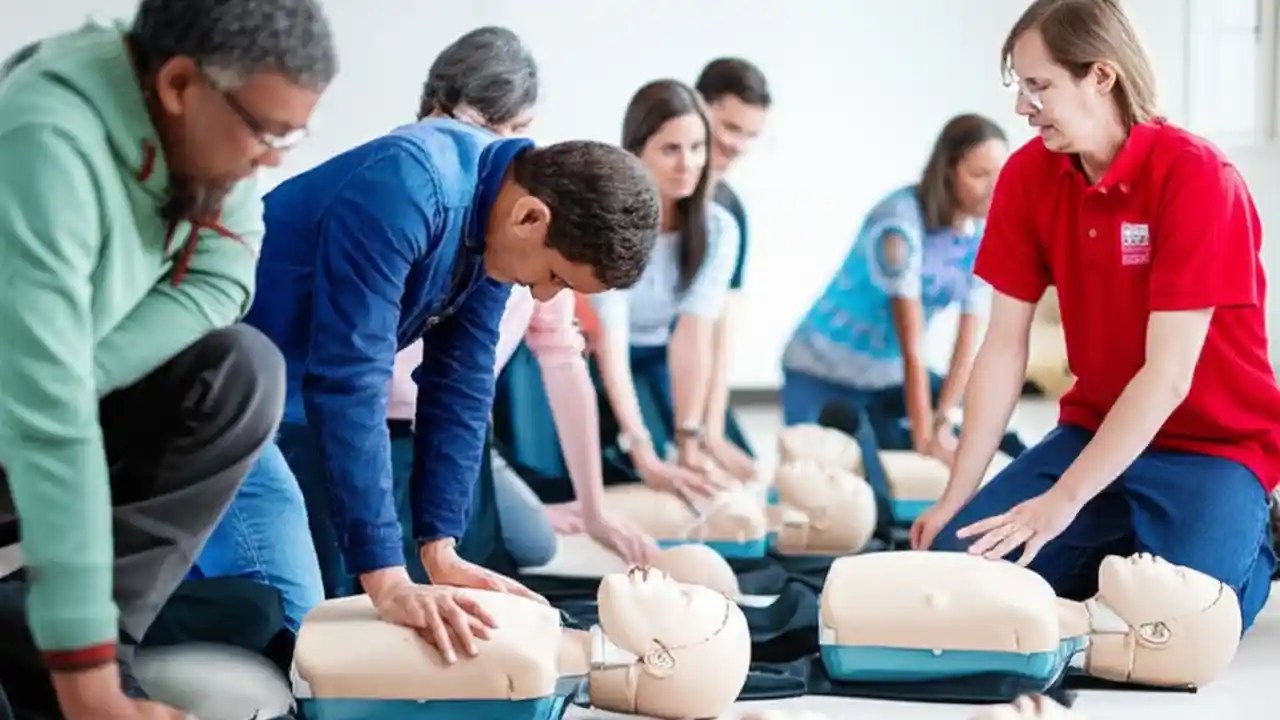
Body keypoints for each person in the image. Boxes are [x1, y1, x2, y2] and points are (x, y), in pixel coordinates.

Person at [204, 112, 660, 660]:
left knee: (335, 616)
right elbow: (351, 380)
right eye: (556, 277)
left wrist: (440, 548)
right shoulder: (408, 189)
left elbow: (460, 384)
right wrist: (389, 575)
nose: (542, 298)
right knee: (306, 639)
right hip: (213, 392)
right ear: (530, 218)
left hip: (287, 399)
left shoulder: (497, 220)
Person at [0, 0, 336, 718]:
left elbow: (224, 280)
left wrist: (77, 375)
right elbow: (42, 419)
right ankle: (76, 668)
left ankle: (66, 638)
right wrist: (85, 684)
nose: (273, 158)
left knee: (239, 374)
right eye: (266, 131)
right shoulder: (45, 138)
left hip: (44, 387)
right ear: (181, 84)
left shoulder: (205, 134)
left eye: (291, 134)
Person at [913, 0, 1280, 634]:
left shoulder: (1198, 178)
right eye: (1020, 87)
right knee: (958, 569)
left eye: (1039, 86)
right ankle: (1113, 545)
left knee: (1183, 622)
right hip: (1096, 430)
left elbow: (1167, 377)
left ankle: (1258, 533)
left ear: (1101, 76)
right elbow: (1002, 348)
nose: (1023, 107)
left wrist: (1060, 503)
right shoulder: (1028, 175)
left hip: (1212, 446)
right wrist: (957, 494)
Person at [388, 28, 658, 572]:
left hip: (453, 428)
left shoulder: (528, 219)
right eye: (490, 127)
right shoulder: (409, 200)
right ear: (436, 116)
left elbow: (561, 357)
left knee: (530, 543)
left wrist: (594, 505)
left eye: (520, 129)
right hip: (384, 425)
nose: (504, 146)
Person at [781, 114, 1022, 467]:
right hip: (821, 370)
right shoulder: (898, 224)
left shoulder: (986, 233)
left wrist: (942, 422)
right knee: (850, 468)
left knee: (989, 416)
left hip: (886, 378)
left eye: (1000, 175)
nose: (994, 189)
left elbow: (966, 344)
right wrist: (926, 442)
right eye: (979, 175)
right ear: (948, 172)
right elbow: (912, 349)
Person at [585, 79, 743, 500]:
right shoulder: (608, 223)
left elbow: (694, 334)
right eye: (670, 149)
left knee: (723, 465)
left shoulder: (721, 227)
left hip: (658, 355)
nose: (687, 163)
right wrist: (642, 449)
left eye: (697, 148)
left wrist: (691, 438)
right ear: (636, 152)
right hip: (595, 358)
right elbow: (611, 340)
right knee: (627, 472)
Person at [693, 57, 772, 482]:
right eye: (729, 127)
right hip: (626, 363)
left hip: (688, 365)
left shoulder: (729, 210)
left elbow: (723, 327)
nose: (737, 145)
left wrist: (715, 428)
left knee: (746, 472)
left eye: (750, 135)